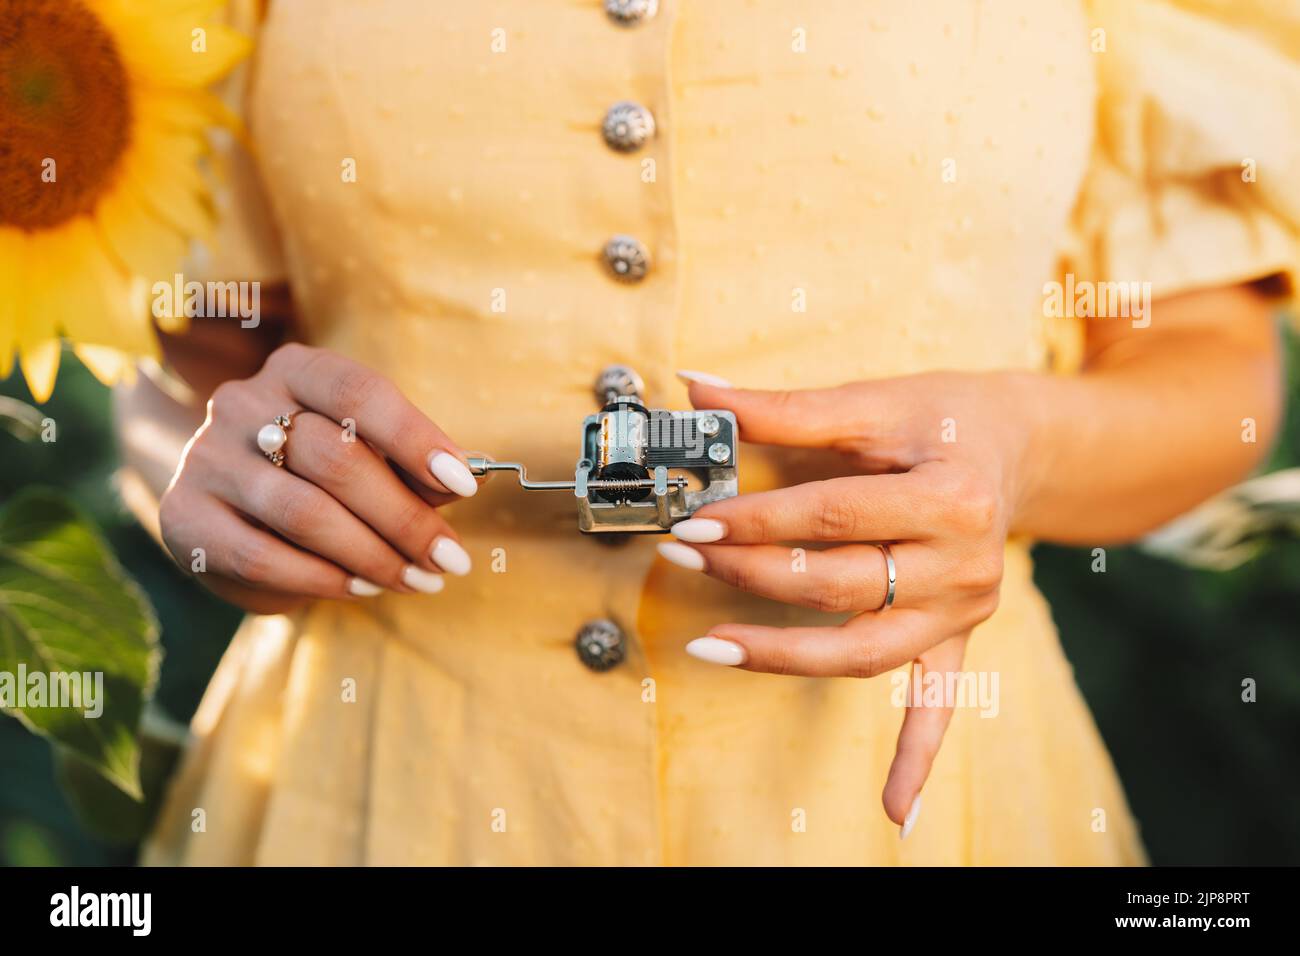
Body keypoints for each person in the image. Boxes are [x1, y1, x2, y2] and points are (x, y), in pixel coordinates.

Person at [118, 0, 1298, 864]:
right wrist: (212, 478)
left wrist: (1019, 447)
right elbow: (192, 371)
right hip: (375, 791)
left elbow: (1203, 365)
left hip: (905, 802)